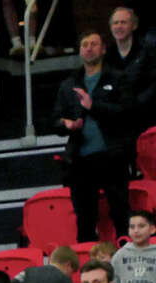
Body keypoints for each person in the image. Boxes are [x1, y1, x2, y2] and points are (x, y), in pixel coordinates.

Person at [55, 31, 130, 243]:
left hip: (112, 156)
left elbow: (127, 112)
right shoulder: (68, 85)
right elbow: (53, 120)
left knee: (120, 213)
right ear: (80, 50)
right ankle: (89, 270)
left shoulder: (117, 78)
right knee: (84, 219)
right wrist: (66, 124)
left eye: (94, 44)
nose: (89, 48)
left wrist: (93, 106)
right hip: (80, 160)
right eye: (84, 44)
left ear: (103, 49)